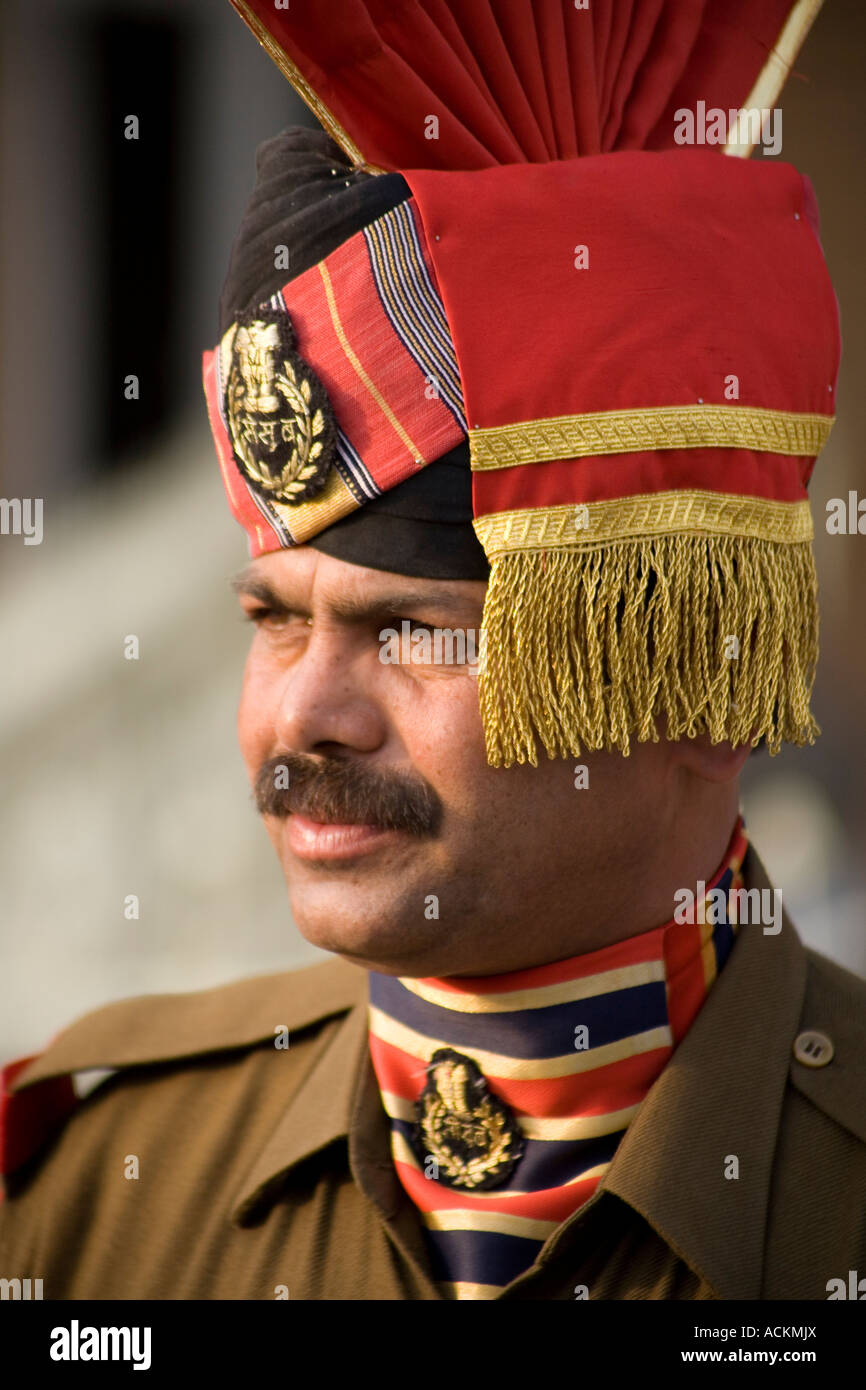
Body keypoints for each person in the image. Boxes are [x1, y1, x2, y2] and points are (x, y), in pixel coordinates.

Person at [2, 0, 864, 1302]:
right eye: (274, 618)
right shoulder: (98, 1185)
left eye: (411, 631)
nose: (305, 715)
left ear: (704, 676)